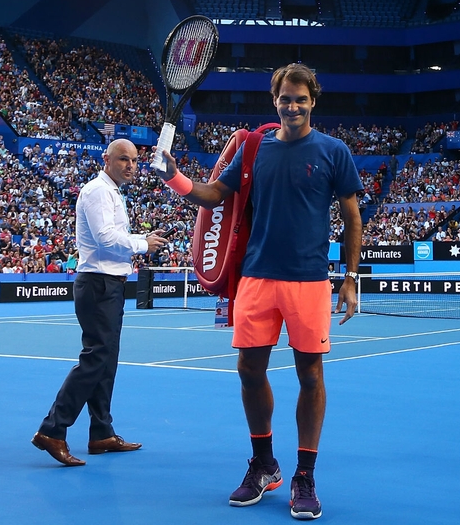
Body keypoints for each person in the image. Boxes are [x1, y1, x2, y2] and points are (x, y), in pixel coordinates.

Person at [154, 63, 363, 520]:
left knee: (311, 375)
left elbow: (351, 216)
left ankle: (304, 475)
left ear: (314, 100)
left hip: (308, 280)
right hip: (256, 277)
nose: (292, 106)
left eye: (300, 98)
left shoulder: (334, 151)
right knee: (249, 369)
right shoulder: (253, 151)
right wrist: (174, 176)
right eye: (285, 98)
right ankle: (264, 464)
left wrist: (350, 279)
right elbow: (212, 194)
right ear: (275, 101)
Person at [32, 139, 169, 467]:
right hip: (98, 285)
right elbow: (106, 238)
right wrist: (142, 243)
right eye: (124, 159)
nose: (131, 166)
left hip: (109, 285)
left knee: (106, 361)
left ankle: (101, 432)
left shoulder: (111, 192)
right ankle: (53, 429)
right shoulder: (97, 191)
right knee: (96, 358)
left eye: (134, 161)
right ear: (106, 159)